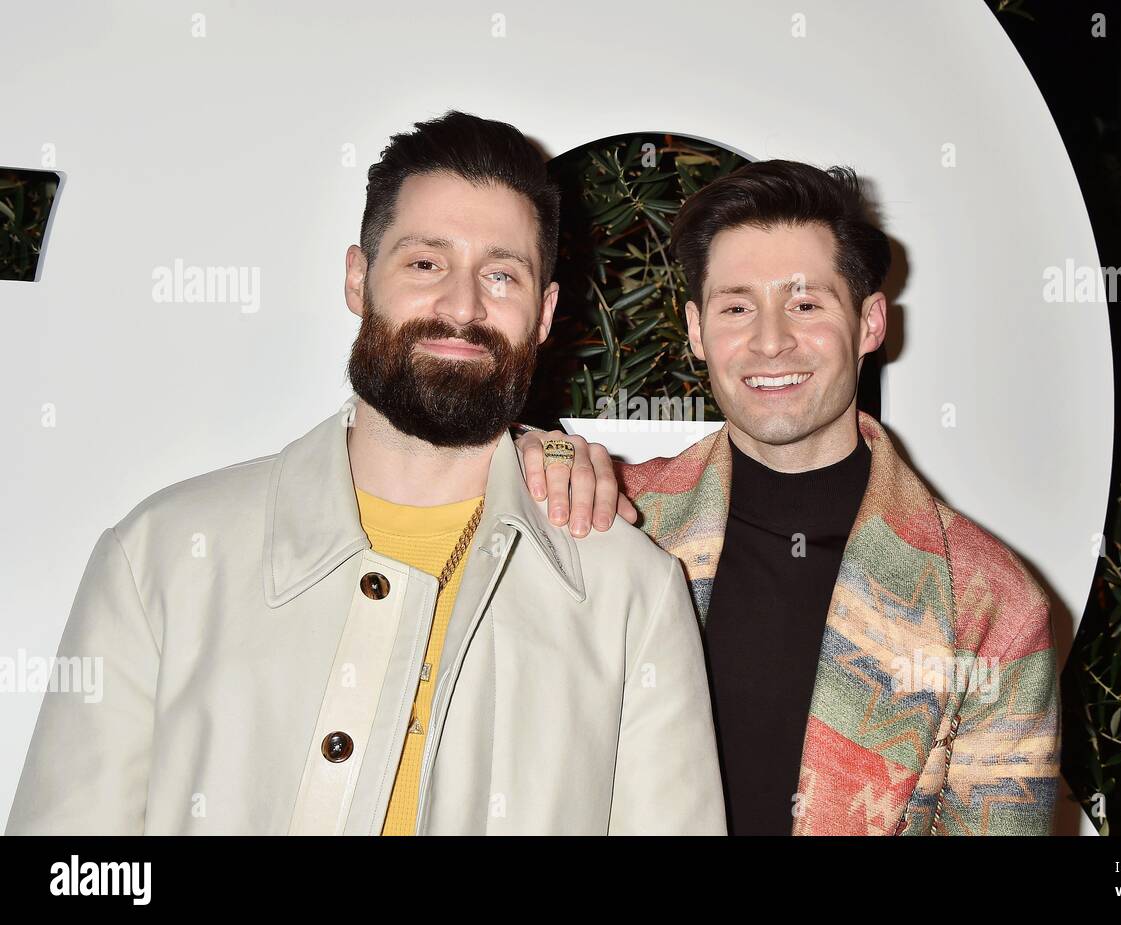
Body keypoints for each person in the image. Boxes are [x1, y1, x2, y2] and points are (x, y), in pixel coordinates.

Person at [6, 111, 725, 836]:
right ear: (358, 278)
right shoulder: (162, 556)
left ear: (543, 314)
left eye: (501, 275)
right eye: (424, 263)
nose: (462, 306)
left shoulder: (630, 594)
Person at [519, 159, 1060, 835]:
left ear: (869, 324)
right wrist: (525, 451)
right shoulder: (616, 517)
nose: (770, 341)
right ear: (695, 329)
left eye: (805, 305)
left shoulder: (991, 605)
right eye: (737, 307)